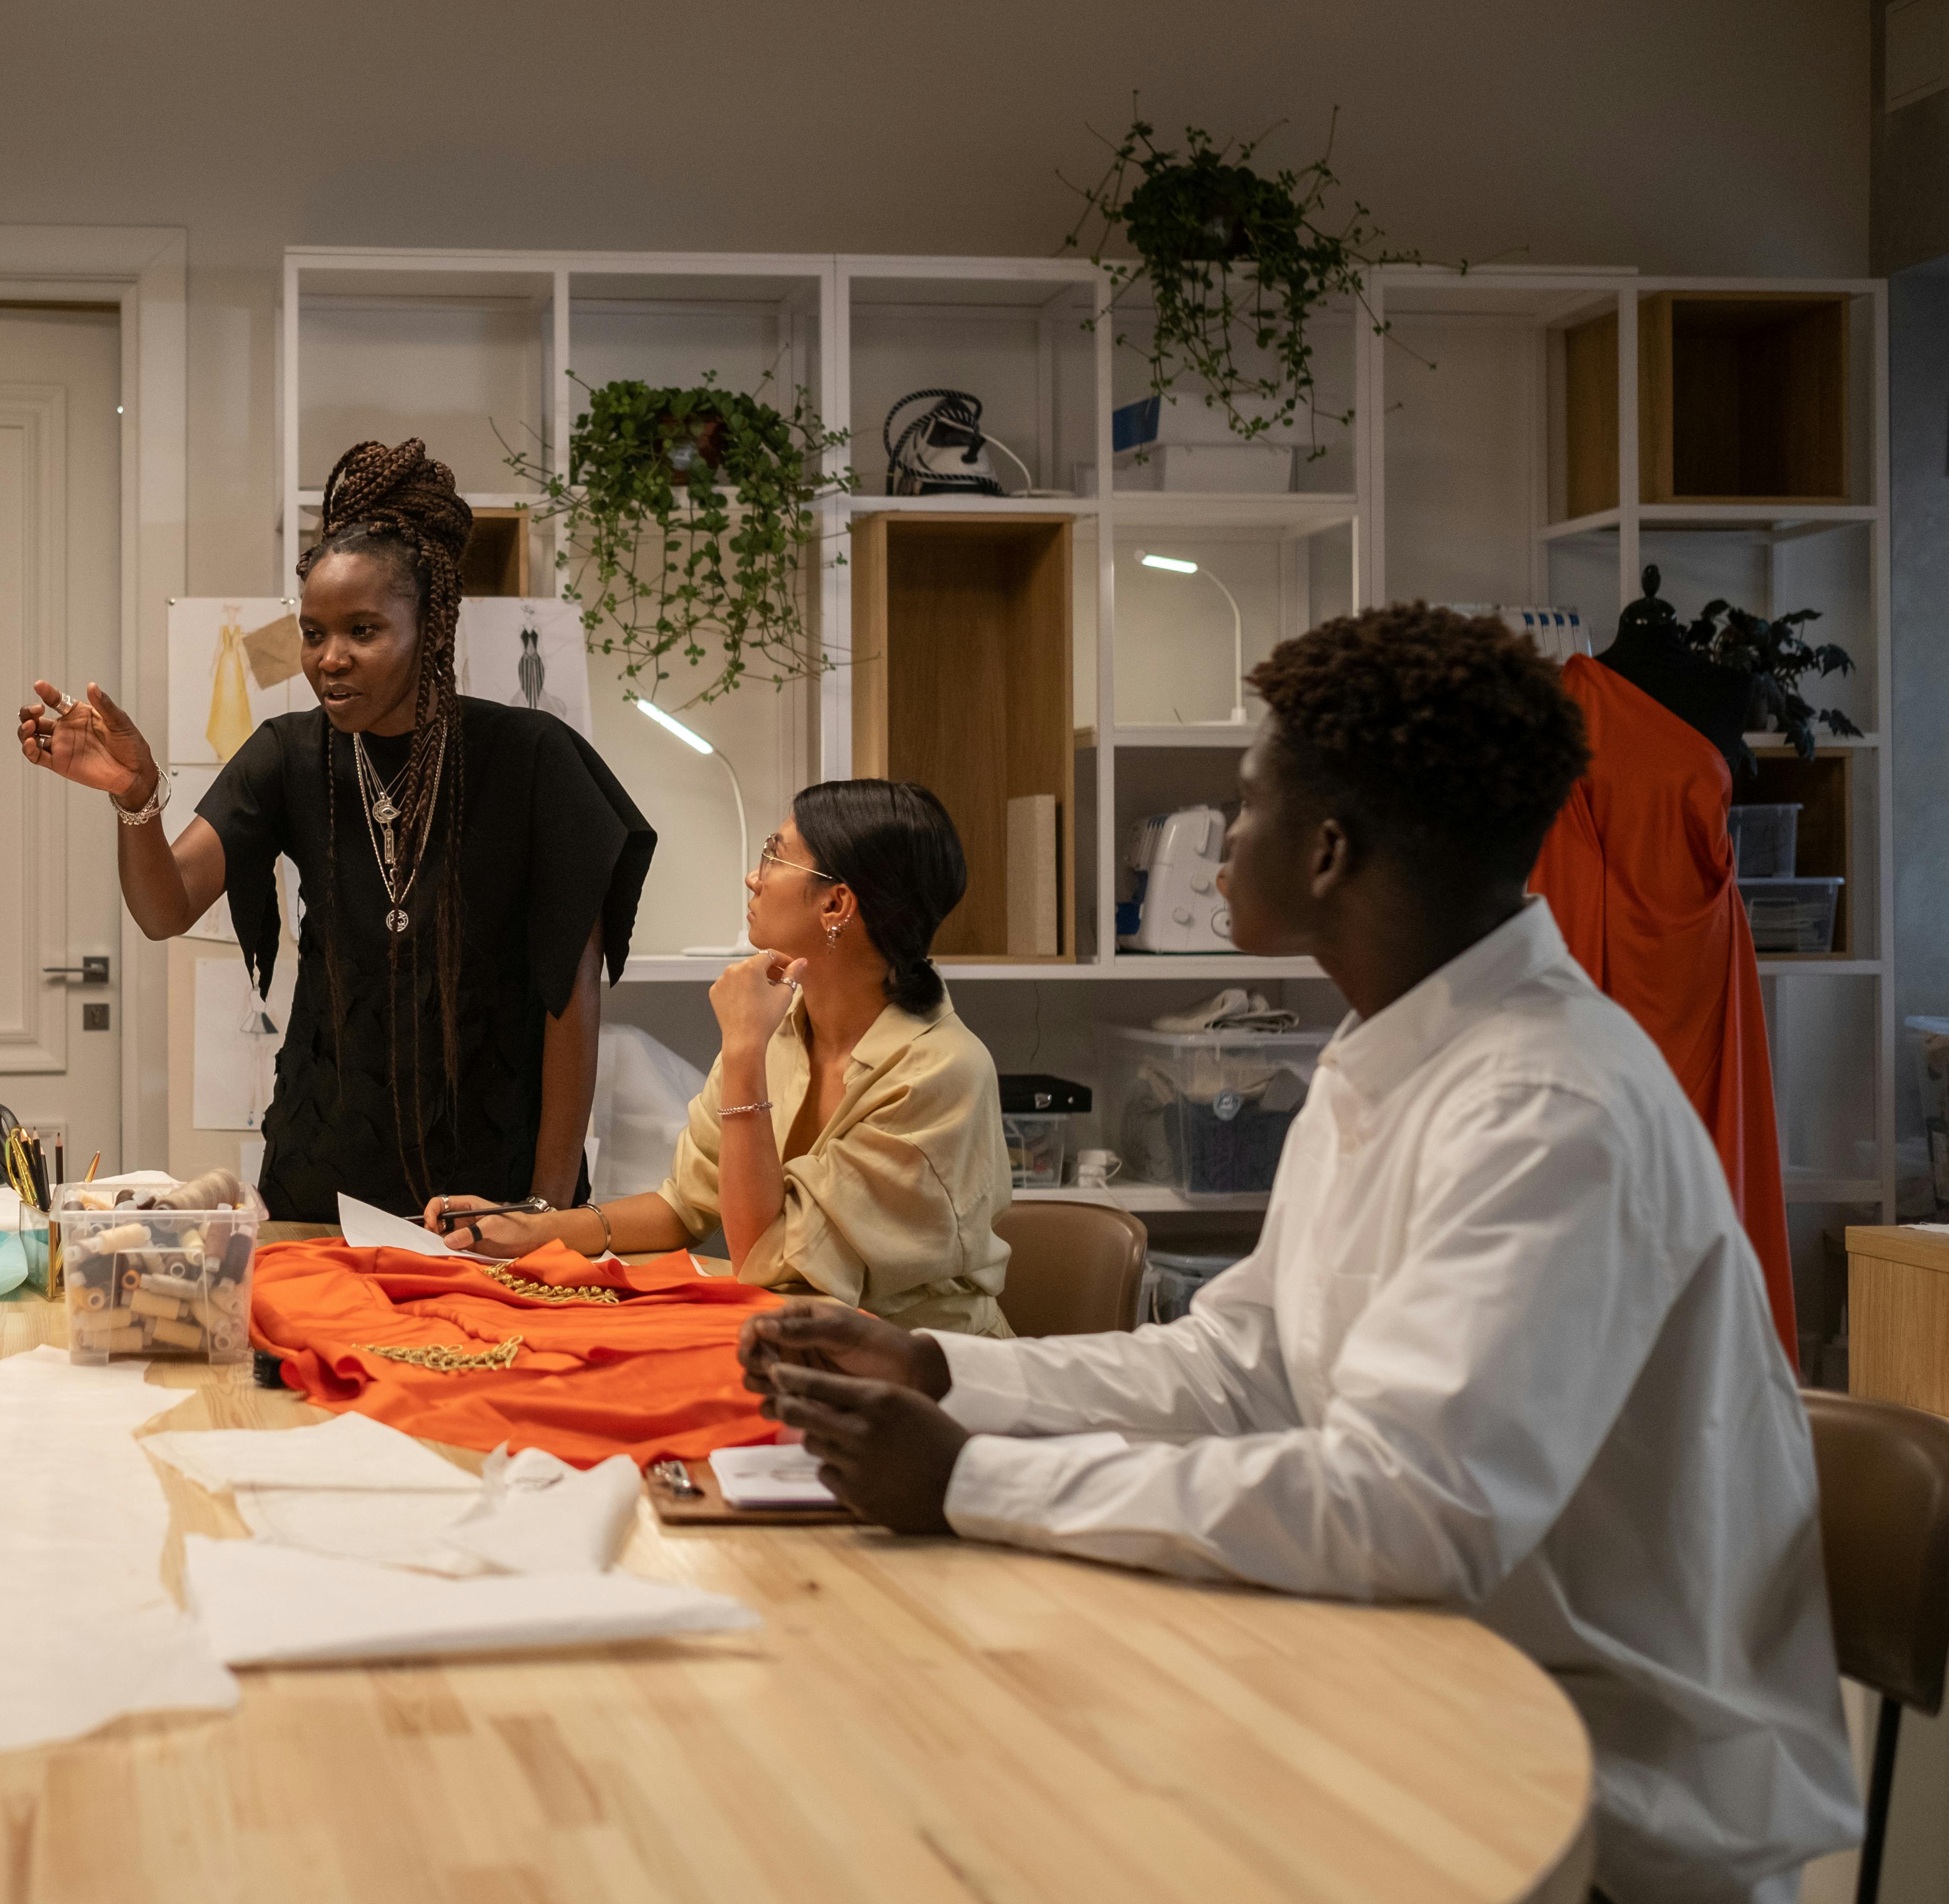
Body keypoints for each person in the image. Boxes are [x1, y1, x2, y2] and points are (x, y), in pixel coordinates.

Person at [740, 607, 1857, 1902]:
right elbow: (1242, 1361)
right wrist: (940, 1370)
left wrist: (971, 1479)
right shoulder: (1386, 1050)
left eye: (1241, 806)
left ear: (1325, 849)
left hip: (1595, 1805)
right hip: (1409, 1684)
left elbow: (1404, 1508)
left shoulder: (1548, 1105)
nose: (1217, 846)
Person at [18, 439, 653, 1221]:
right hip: (320, 1173)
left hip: (493, 1184)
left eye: (362, 630)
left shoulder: (530, 759)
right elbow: (164, 907)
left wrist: (546, 1207)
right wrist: (134, 795)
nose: (330, 659)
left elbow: (571, 996)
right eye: (313, 633)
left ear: (430, 624)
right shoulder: (289, 755)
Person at [426, 780, 1016, 1336]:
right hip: (801, 1342)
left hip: (926, 1369)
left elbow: (762, 1254)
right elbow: (685, 1204)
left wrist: (741, 1048)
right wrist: (530, 1230)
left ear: (836, 904)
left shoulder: (939, 1071)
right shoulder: (784, 1024)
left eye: (775, 856)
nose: (752, 877)